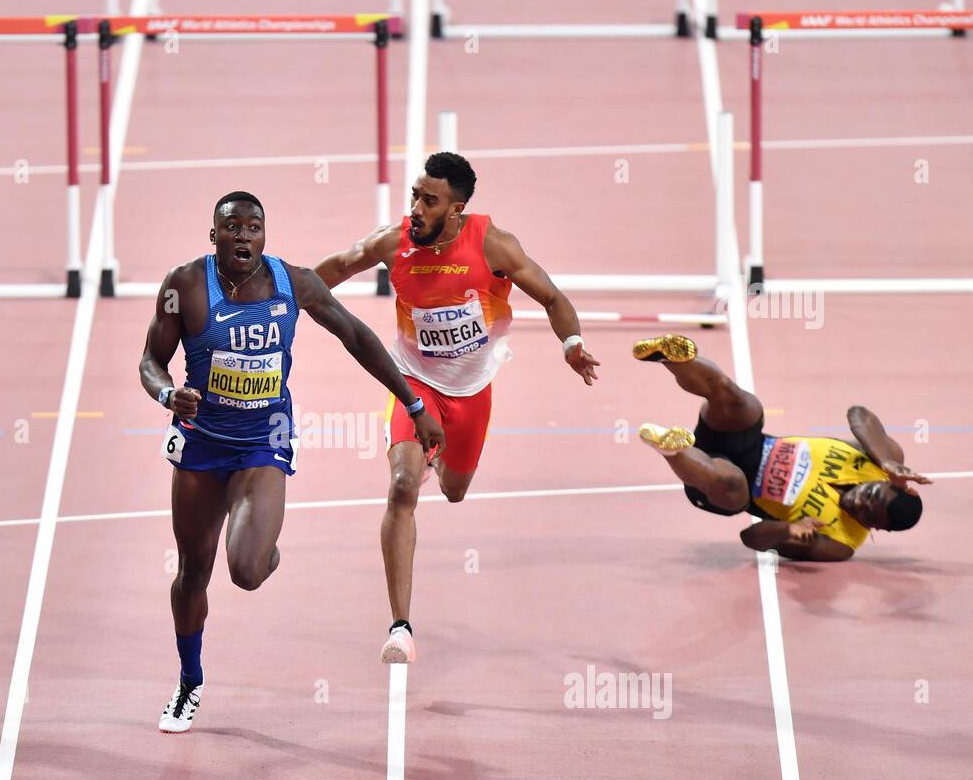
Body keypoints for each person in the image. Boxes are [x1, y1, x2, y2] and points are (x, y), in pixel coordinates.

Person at [139, 191, 445, 732]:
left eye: (254, 228)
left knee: (247, 571)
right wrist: (167, 395)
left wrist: (414, 403)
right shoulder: (184, 285)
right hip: (201, 442)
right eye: (232, 228)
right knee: (192, 573)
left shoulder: (294, 283)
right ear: (214, 237)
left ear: (264, 236)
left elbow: (356, 335)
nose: (243, 237)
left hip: (263, 441)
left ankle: (262, 545)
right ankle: (189, 682)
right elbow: (151, 361)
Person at [314, 152, 600, 663]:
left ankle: (437, 462)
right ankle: (400, 626)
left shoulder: (493, 245)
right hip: (412, 382)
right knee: (402, 487)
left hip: (471, 392)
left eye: (430, 200)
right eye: (415, 196)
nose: (417, 208)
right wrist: (275, 299)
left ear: (457, 208)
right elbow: (336, 267)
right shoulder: (393, 242)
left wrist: (571, 344)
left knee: (454, 491)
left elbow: (553, 298)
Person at [634, 333, 929, 561]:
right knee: (740, 402)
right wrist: (886, 461)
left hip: (727, 490)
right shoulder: (882, 461)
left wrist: (788, 530)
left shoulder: (841, 543)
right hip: (751, 444)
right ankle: (671, 356)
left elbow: (751, 538)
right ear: (896, 484)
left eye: (869, 515)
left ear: (879, 529)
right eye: (872, 494)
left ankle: (671, 448)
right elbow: (858, 414)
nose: (861, 502)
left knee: (730, 481)